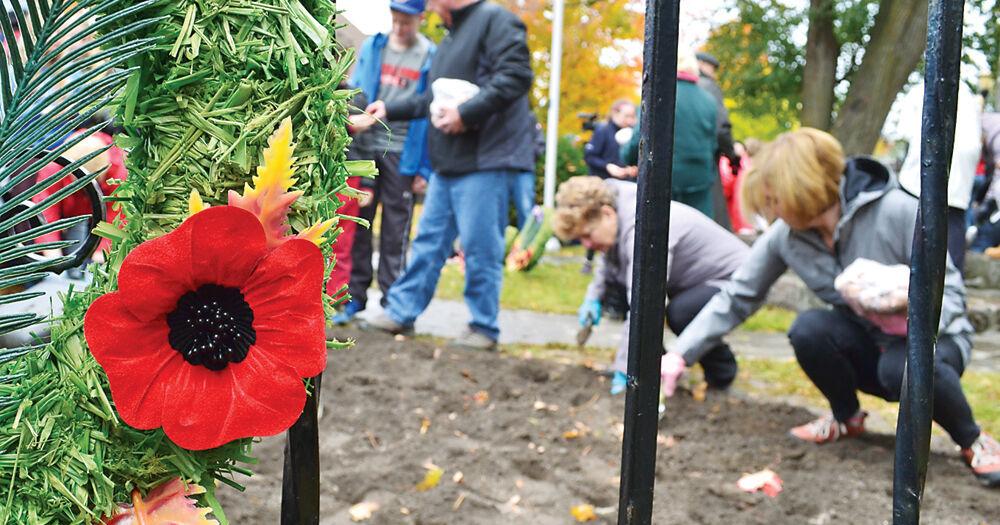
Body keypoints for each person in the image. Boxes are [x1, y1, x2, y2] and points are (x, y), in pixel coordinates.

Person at [663, 128, 1000, 488]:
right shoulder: (786, 237)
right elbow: (738, 295)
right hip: (868, 339)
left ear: (802, 187)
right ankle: (847, 418)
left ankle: (973, 440)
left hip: (935, 342)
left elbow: (950, 292)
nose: (769, 212)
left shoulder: (898, 211)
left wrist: (905, 303)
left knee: (900, 366)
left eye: (773, 201)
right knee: (809, 329)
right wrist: (680, 354)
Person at [362, 0, 534, 350]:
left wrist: (466, 113)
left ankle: (484, 327)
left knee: (479, 246)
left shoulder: (496, 21)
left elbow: (516, 76)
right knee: (427, 243)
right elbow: (430, 99)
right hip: (448, 163)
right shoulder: (451, 37)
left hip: (485, 160)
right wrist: (389, 107)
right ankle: (402, 312)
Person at [554, 176, 748, 395]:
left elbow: (642, 307)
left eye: (587, 235)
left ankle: (722, 376)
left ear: (607, 213)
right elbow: (610, 260)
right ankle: (652, 370)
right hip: (694, 280)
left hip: (734, 278)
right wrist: (593, 297)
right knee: (627, 292)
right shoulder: (622, 213)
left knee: (680, 313)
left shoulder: (643, 227)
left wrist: (625, 368)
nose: (587, 244)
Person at [334, 0, 436, 324]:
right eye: (395, 20)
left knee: (396, 229)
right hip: (367, 148)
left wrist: (424, 168)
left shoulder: (430, 55)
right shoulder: (375, 46)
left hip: (403, 151)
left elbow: (431, 110)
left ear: (420, 18)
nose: (399, 28)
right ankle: (353, 299)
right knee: (359, 226)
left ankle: (393, 305)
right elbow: (358, 95)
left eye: (406, 22)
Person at [620, 51, 718, 218]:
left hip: (663, 180)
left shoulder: (656, 94)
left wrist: (626, 156)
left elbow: (639, 140)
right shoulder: (709, 101)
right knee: (697, 232)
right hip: (699, 181)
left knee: (661, 235)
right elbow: (713, 143)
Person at [896, 81, 981, 272]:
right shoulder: (968, 96)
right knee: (951, 239)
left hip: (920, 178)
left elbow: (905, 133)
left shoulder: (921, 89)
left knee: (914, 241)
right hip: (958, 183)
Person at [584, 100, 637, 181]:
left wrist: (632, 169)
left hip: (625, 183)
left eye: (632, 117)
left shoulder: (633, 133)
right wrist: (607, 166)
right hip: (603, 183)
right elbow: (589, 157)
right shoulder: (603, 130)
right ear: (615, 113)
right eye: (626, 116)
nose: (629, 121)